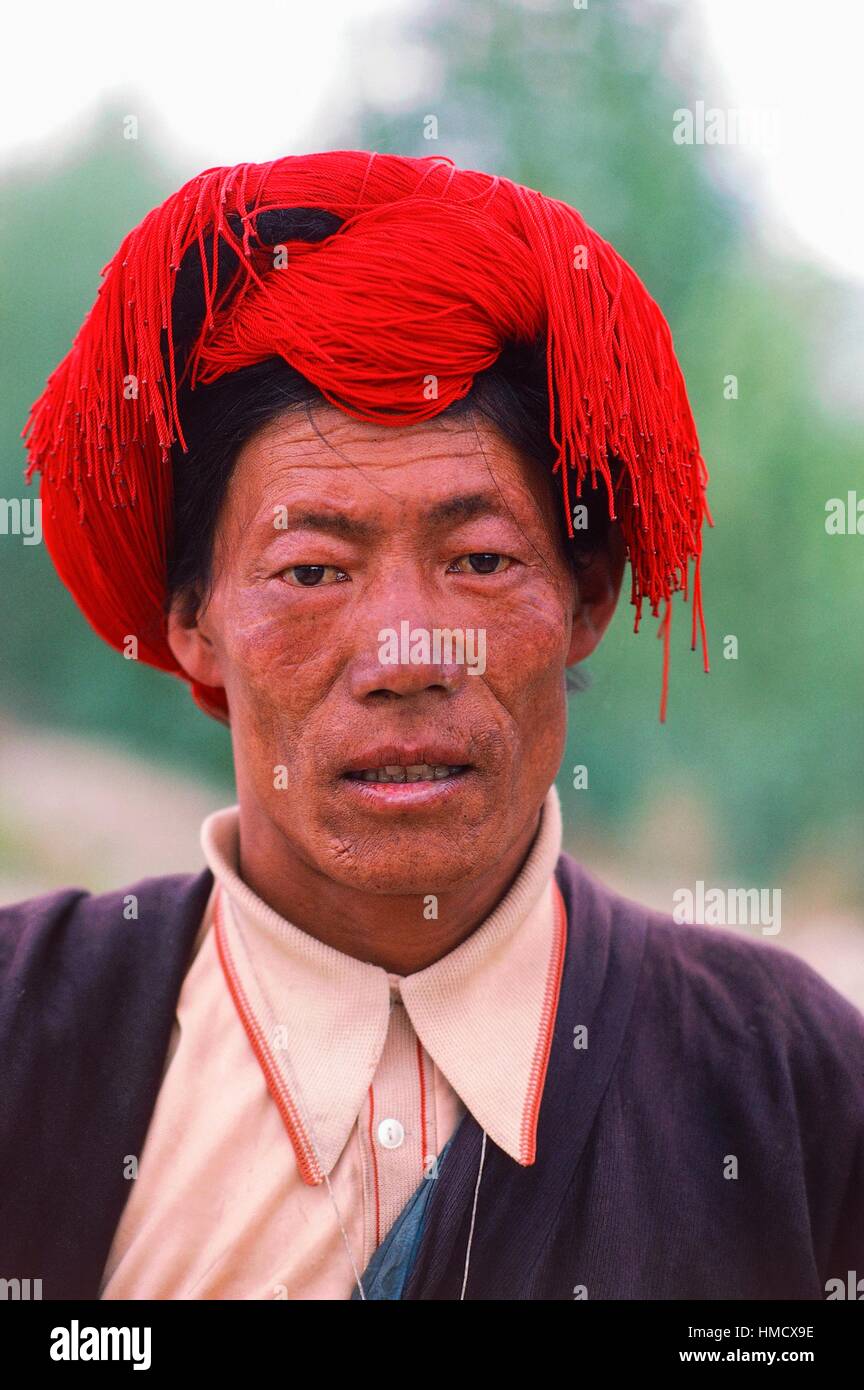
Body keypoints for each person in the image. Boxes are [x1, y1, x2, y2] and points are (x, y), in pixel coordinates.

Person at [1, 151, 861, 1301]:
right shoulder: (25, 1037)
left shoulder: (789, 1084)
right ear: (193, 619)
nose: (408, 654)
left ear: (585, 599)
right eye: (312, 568)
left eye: (482, 560)